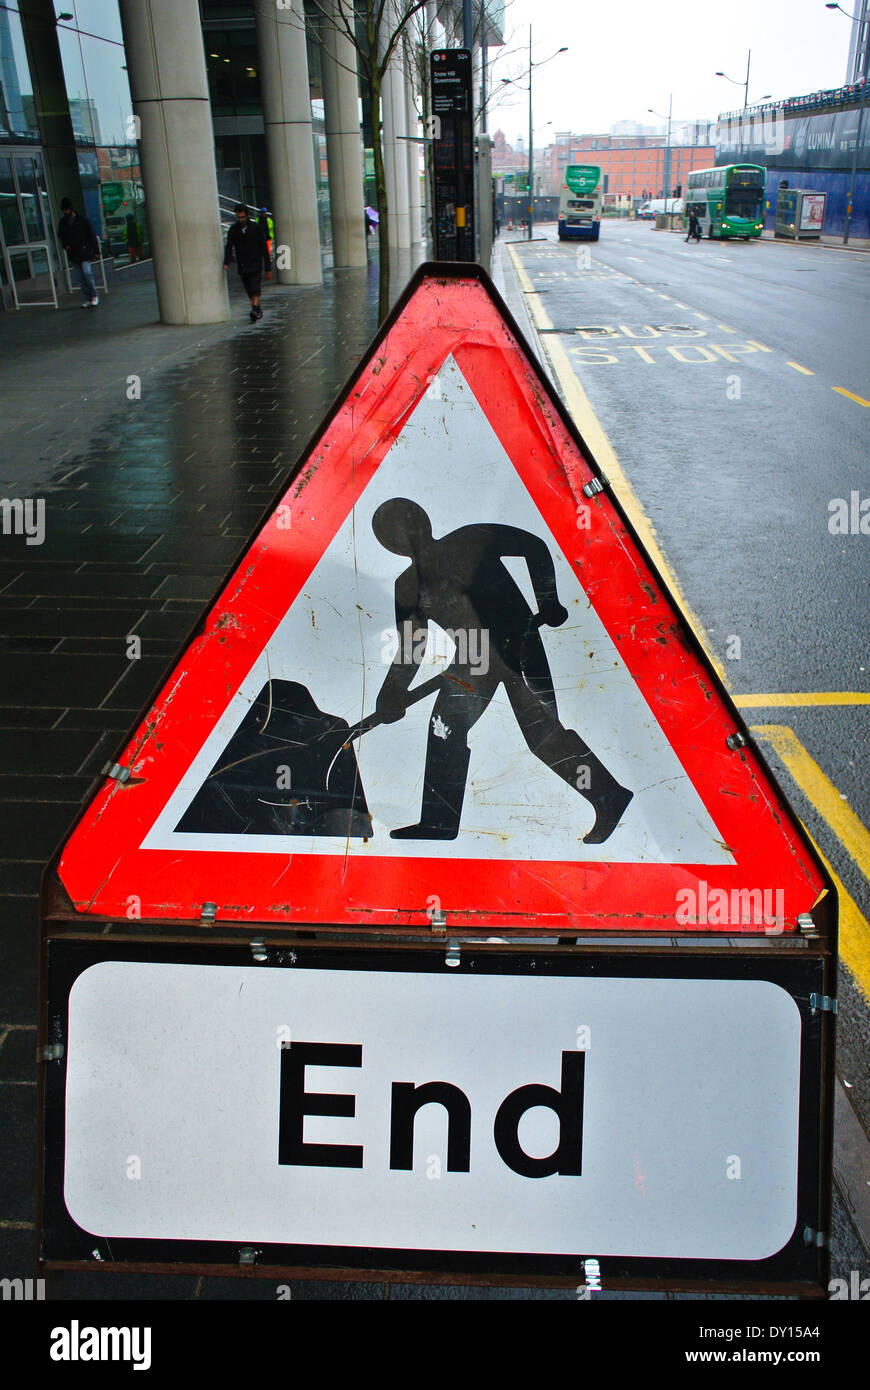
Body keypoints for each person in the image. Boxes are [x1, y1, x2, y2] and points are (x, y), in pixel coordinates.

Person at [372, 498, 633, 844]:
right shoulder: (407, 586)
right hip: (471, 662)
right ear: (391, 545)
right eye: (394, 533)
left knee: (543, 735)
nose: (405, 536)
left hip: (516, 646)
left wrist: (548, 601)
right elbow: (411, 648)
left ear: (422, 521)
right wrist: (390, 694)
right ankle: (439, 822)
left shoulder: (469, 540)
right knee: (443, 729)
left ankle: (608, 795)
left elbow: (533, 547)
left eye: (405, 525)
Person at [223, 204, 272, 322]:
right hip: (242, 264)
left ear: (247, 216)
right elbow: (229, 246)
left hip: (255, 263)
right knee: (249, 289)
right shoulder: (234, 230)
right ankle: (257, 307)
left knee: (255, 287)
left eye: (243, 217)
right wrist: (227, 261)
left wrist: (268, 268)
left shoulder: (256, 228)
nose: (241, 220)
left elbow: (264, 248)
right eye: (238, 217)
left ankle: (255, 309)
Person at [58, 197, 101, 307]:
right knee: (81, 277)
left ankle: (93, 295)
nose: (65, 212)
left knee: (86, 274)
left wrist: (96, 250)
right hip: (76, 252)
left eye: (66, 210)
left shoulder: (80, 220)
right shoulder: (67, 222)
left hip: (82, 251)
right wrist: (65, 245)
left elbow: (91, 235)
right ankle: (89, 297)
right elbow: (61, 236)